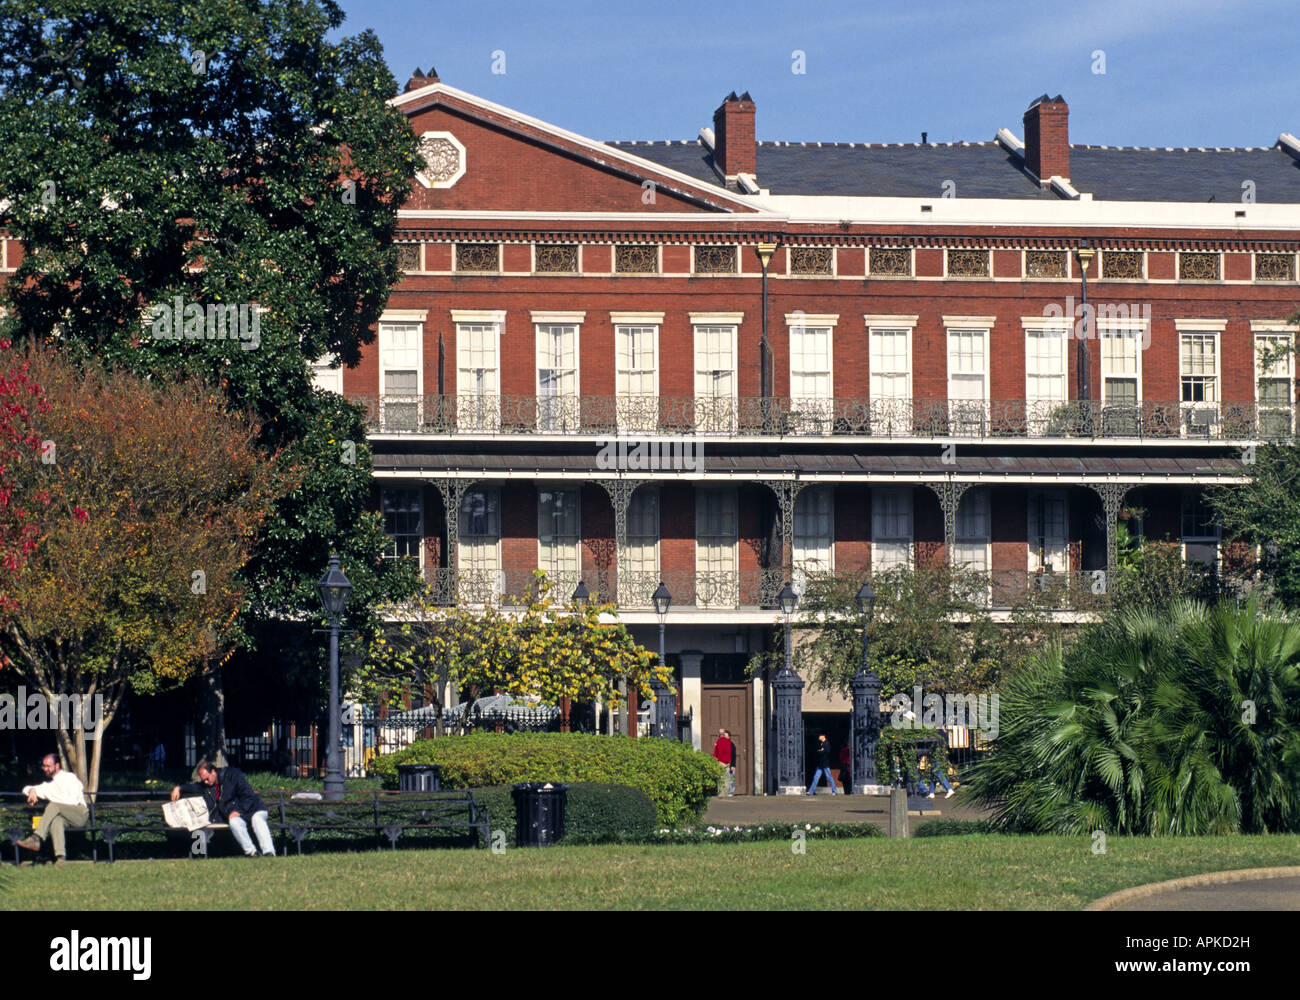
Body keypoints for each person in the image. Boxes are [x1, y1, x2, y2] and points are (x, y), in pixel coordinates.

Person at [171, 759, 275, 857]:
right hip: (238, 815)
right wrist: (179, 788)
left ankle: (269, 852)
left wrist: (238, 811)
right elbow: (194, 787)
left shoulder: (233, 775)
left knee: (257, 820)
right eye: (204, 780)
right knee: (234, 822)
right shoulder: (208, 785)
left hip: (254, 809)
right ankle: (252, 853)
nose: (206, 782)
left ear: (213, 772)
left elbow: (248, 795)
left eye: (207, 779)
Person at [17, 754, 87, 865]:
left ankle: (36, 837)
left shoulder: (70, 778)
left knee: (53, 806)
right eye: (44, 766)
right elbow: (24, 789)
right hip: (64, 817)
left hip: (79, 814)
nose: (45, 769)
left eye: (48, 766)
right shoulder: (48, 785)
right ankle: (60, 858)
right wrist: (32, 791)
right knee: (56, 821)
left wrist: (55, 803)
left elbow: (73, 801)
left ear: (57, 765)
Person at [711, 729, 733, 796]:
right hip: (727, 762)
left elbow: (716, 753)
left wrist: (715, 760)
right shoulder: (728, 741)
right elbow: (730, 752)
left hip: (721, 761)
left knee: (720, 778)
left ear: (719, 735)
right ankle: (726, 793)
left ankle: (721, 794)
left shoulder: (719, 741)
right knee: (726, 778)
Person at [723, 729, 737, 796]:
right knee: (723, 778)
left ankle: (731, 792)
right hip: (723, 764)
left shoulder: (731, 745)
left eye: (726, 736)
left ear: (729, 737)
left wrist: (733, 765)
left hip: (730, 764)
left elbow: (733, 756)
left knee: (731, 779)